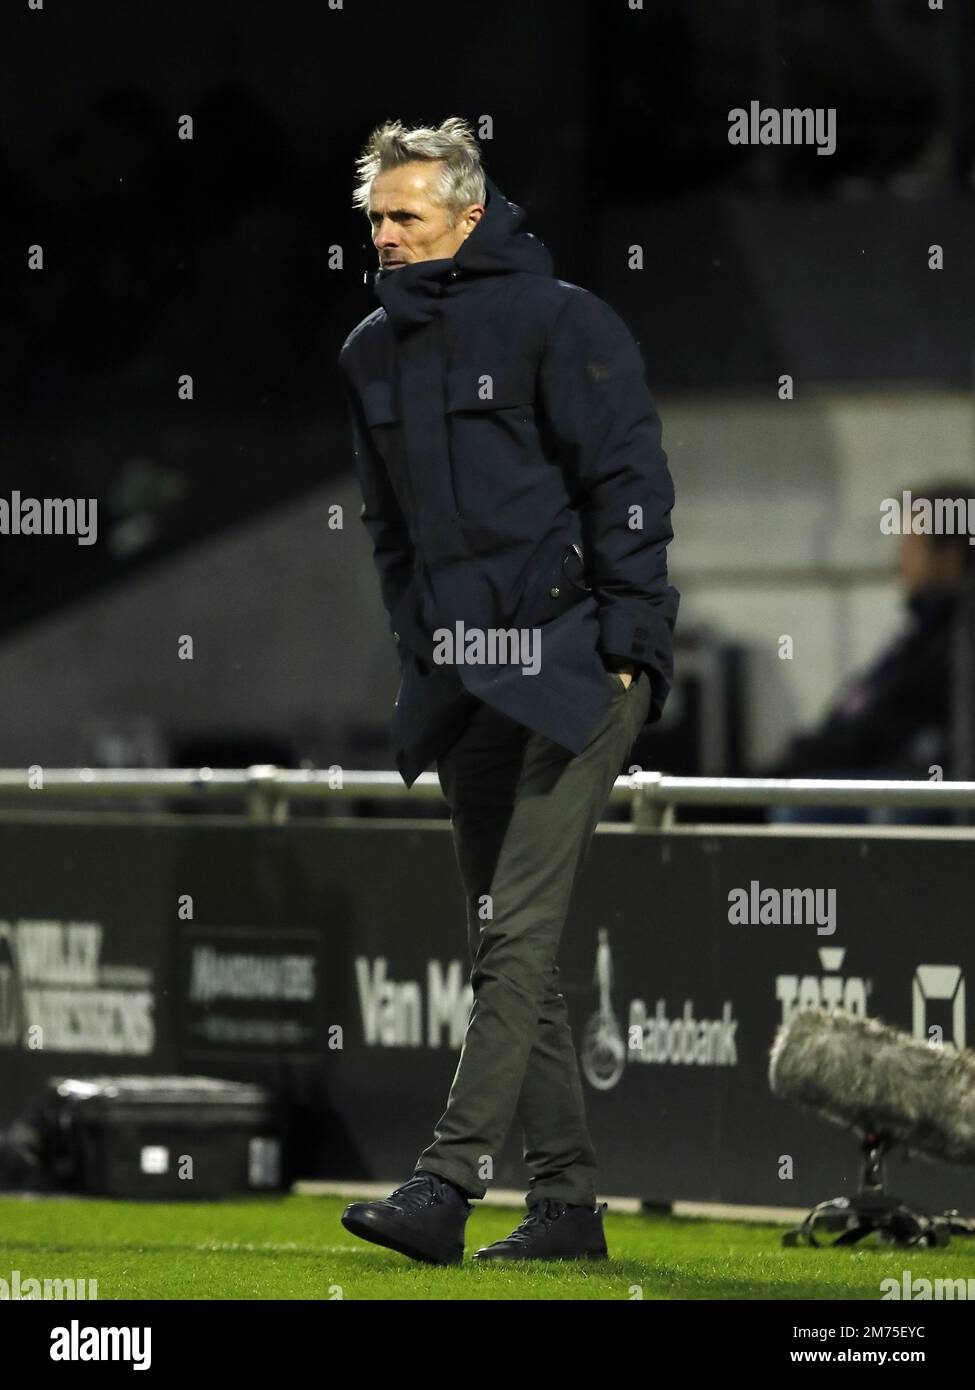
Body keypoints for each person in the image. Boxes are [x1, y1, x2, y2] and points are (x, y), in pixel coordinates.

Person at [337, 117, 679, 1264]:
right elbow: (390, 535)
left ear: (467, 216)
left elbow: (629, 480)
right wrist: (420, 643)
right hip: (466, 680)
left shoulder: (562, 320)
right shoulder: (368, 353)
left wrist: (631, 643)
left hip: (579, 664)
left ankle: (445, 1183)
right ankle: (570, 1209)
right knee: (506, 941)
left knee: (514, 935)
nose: (386, 236)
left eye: (407, 216)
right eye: (376, 218)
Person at [758, 479, 975, 824]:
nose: (899, 558)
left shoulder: (954, 641)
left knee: (797, 807)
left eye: (911, 544)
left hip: (922, 784)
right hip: (858, 764)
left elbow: (877, 725)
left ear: (950, 555)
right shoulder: (918, 634)